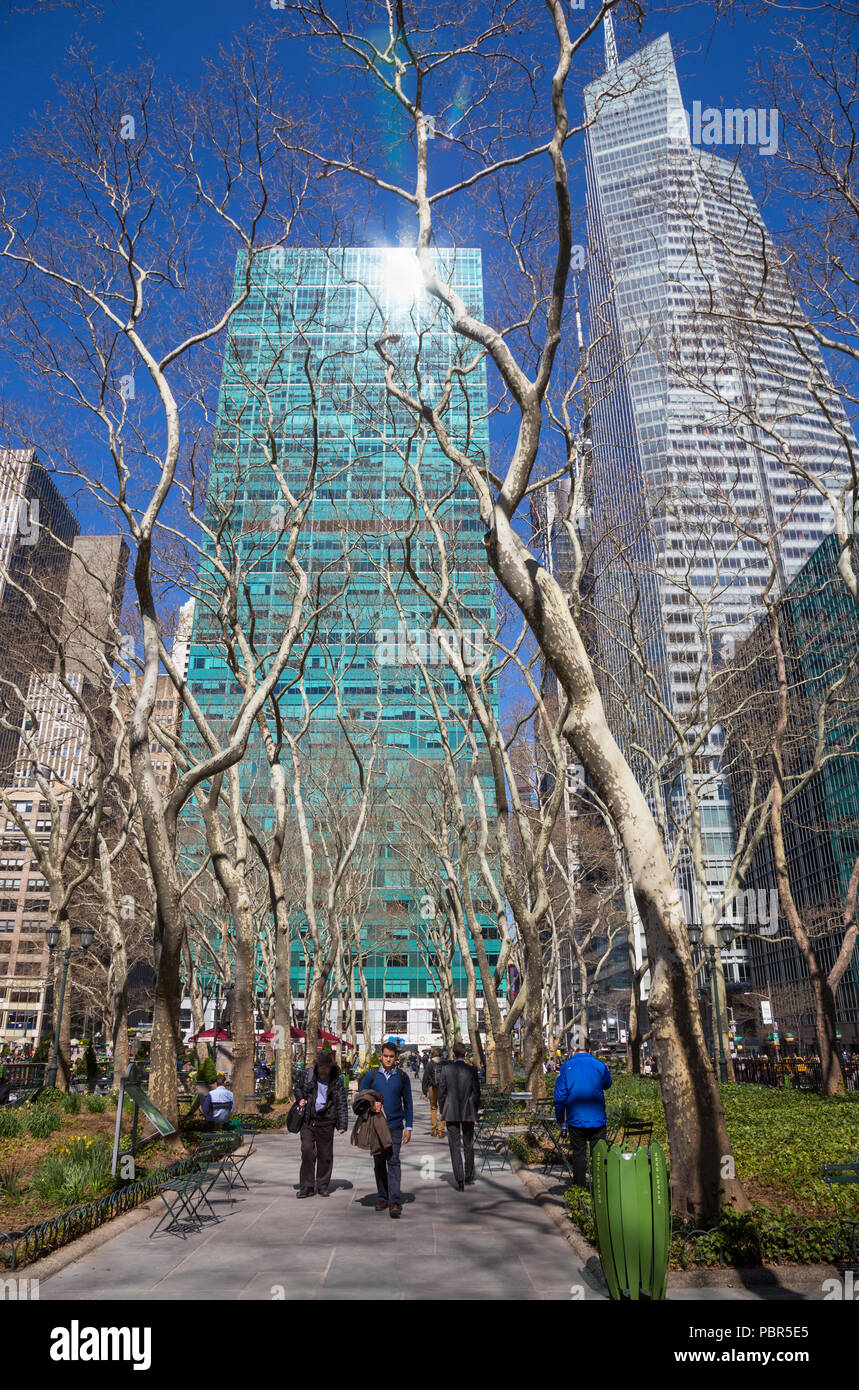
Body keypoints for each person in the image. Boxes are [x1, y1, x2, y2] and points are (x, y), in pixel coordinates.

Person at [358, 1042, 413, 1218]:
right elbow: (361, 1096)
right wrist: (372, 1104)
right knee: (379, 1162)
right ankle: (383, 1196)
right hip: (377, 1125)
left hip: (396, 1125)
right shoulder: (371, 1076)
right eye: (386, 1056)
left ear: (395, 1057)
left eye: (391, 1056)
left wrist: (409, 1127)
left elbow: (409, 1103)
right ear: (381, 1056)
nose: (388, 1059)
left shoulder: (402, 1077)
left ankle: (395, 1201)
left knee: (394, 1161)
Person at [553, 1041, 613, 1187]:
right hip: (597, 1119)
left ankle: (580, 1188)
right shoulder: (599, 1065)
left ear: (573, 1049)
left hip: (576, 1119)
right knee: (599, 1155)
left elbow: (560, 1097)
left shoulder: (566, 1067)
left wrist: (561, 1120)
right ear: (590, 1049)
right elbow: (608, 1083)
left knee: (579, 1155)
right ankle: (600, 1188)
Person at [294, 1050, 348, 1197]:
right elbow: (297, 1088)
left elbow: (341, 1102)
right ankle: (307, 1186)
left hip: (326, 1121)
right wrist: (300, 1099)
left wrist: (342, 1124)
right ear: (317, 1066)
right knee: (307, 1151)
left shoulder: (336, 1080)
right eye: (321, 1067)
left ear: (331, 1067)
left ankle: (323, 1184)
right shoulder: (308, 1075)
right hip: (308, 1120)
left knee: (325, 1154)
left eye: (326, 1068)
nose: (324, 1071)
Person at [438, 1041, 481, 1190]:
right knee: (468, 1144)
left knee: (454, 1146)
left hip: (451, 1111)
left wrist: (443, 1109)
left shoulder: (446, 1069)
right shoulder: (471, 1070)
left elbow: (441, 1093)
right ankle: (468, 1175)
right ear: (466, 1054)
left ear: (453, 1054)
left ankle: (460, 1179)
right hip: (468, 1110)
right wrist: (475, 1109)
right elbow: (476, 1093)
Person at [421, 1048, 445, 1139]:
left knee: (433, 1108)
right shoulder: (444, 1063)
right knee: (442, 1109)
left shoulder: (430, 1064)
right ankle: (441, 1131)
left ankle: (434, 1130)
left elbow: (425, 1078)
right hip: (443, 1088)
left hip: (432, 1088)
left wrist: (424, 1092)